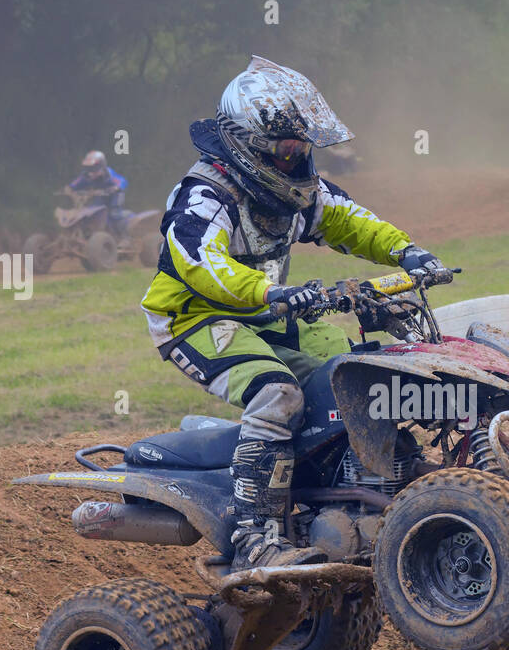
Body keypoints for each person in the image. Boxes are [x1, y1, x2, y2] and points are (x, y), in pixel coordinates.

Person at [139, 56, 445, 571]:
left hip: (267, 310)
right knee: (277, 395)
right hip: (196, 319)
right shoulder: (204, 195)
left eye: (302, 147)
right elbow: (201, 264)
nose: (298, 157)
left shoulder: (297, 191)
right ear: (251, 145)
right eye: (288, 148)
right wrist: (271, 292)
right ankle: (254, 534)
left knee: (355, 371)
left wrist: (406, 252)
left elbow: (350, 221)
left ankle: (375, 475)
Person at [68, 150, 133, 240]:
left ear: (101, 166)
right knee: (93, 212)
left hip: (115, 195)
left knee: (114, 214)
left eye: (93, 168)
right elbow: (74, 185)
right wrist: (69, 189)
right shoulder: (86, 176)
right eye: (88, 168)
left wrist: (116, 188)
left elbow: (123, 181)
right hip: (101, 196)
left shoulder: (109, 174)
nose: (90, 172)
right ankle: (92, 236)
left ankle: (126, 238)